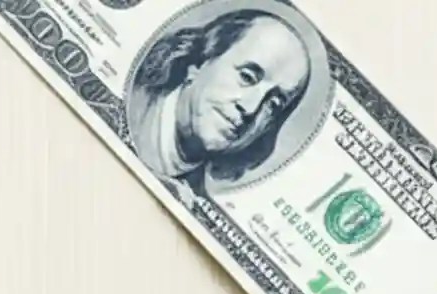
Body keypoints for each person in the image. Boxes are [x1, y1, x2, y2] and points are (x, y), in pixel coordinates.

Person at [128, 9, 312, 196]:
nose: (251, 108)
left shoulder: (195, 200)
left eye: (274, 104)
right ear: (200, 61)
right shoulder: (131, 100)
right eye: (247, 77)